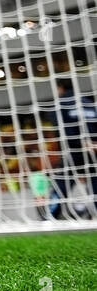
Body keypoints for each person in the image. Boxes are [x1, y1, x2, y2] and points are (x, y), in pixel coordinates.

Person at [53, 80, 97, 219]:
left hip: (73, 151)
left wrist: (80, 142)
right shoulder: (89, 103)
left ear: (60, 88)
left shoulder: (61, 103)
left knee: (61, 185)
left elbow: (61, 129)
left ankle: (50, 215)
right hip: (94, 151)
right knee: (95, 185)